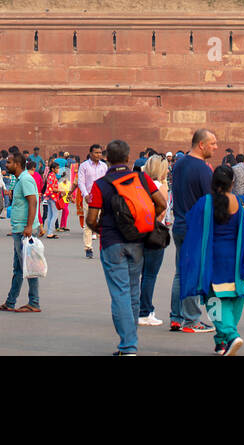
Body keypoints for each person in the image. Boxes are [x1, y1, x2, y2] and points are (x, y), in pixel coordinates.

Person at [86, 139, 167, 353]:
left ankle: (128, 344)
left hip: (112, 242)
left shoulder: (101, 184)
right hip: (137, 241)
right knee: (132, 290)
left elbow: (91, 219)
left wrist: (101, 231)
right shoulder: (141, 178)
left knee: (120, 292)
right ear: (128, 158)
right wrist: (147, 222)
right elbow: (162, 203)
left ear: (107, 159)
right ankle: (130, 340)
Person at [179, 164, 244, 355]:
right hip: (238, 259)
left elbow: (190, 222)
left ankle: (231, 335)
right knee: (234, 298)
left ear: (213, 182)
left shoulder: (205, 202)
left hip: (212, 260)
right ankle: (221, 342)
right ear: (233, 182)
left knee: (213, 299)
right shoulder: (241, 202)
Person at [168, 129, 217, 334]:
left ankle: (177, 317)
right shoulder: (203, 169)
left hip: (180, 224)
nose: (215, 147)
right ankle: (192, 320)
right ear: (201, 145)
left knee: (181, 273)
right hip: (195, 228)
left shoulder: (179, 164)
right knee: (193, 274)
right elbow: (210, 201)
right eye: (213, 143)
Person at [0, 151, 41, 314]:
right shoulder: (21, 179)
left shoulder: (26, 179)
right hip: (19, 229)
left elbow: (33, 202)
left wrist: (29, 226)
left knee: (29, 267)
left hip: (24, 230)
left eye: (8, 162)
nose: (6, 165)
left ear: (17, 164)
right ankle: (10, 301)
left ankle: (34, 302)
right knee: (19, 268)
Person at [137, 154, 171, 326]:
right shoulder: (160, 187)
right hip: (155, 233)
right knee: (150, 275)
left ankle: (138, 308)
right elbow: (162, 212)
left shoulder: (142, 184)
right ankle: (145, 311)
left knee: (139, 274)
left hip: (139, 232)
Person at [75, 144, 108, 259]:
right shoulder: (84, 166)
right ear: (90, 153)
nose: (98, 155)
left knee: (104, 224)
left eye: (100, 153)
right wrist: (85, 195)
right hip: (89, 198)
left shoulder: (104, 166)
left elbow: (106, 181)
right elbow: (81, 182)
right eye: (96, 152)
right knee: (88, 224)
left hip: (102, 198)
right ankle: (88, 248)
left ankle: (104, 248)